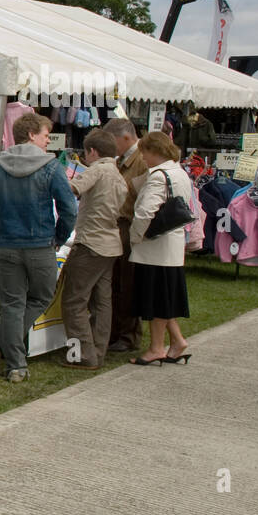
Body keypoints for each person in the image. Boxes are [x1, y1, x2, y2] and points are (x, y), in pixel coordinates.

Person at [0, 112, 78, 382]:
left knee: (12, 304)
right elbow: (68, 208)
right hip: (40, 244)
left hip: (8, 245)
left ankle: (14, 363)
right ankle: (4, 347)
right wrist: (59, 237)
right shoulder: (51, 167)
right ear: (32, 134)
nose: (48, 141)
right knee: (42, 296)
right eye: (46, 136)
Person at [58, 128, 127, 370]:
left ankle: (83, 355)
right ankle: (98, 350)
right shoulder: (118, 174)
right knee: (102, 301)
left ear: (92, 151)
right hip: (110, 244)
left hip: (90, 243)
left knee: (74, 300)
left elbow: (72, 189)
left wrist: (56, 178)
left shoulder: (97, 169)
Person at [127, 131, 192, 366]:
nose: (143, 157)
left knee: (156, 300)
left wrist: (134, 236)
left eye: (144, 152)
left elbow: (145, 212)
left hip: (155, 247)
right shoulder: (180, 172)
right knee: (166, 297)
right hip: (172, 245)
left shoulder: (159, 176)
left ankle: (156, 347)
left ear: (154, 151)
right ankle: (177, 340)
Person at [104, 117, 148, 352]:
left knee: (127, 283)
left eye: (112, 142)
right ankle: (115, 331)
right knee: (116, 281)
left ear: (125, 138)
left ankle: (128, 335)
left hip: (130, 226)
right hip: (118, 225)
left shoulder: (140, 161)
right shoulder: (123, 160)